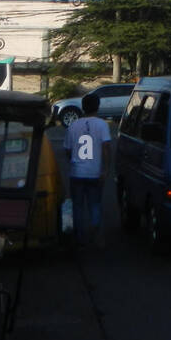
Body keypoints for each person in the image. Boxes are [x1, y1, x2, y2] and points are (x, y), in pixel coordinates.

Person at [63, 92, 111, 249]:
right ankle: (96, 235)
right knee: (95, 204)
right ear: (97, 106)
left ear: (83, 107)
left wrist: (74, 160)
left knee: (78, 206)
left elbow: (68, 150)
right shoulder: (102, 125)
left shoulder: (73, 125)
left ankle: (79, 237)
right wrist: (105, 169)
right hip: (94, 172)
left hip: (77, 172)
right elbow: (106, 148)